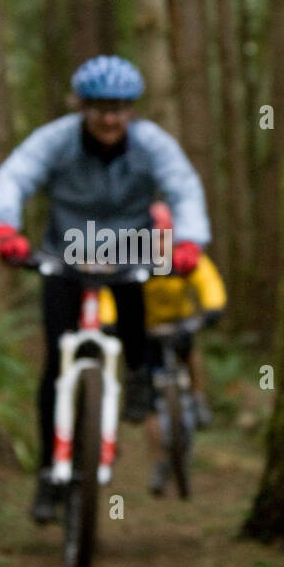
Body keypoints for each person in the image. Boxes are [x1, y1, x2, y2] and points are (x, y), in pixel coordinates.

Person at [0, 56, 211, 524]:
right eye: (101, 108)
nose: (111, 118)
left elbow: (184, 188)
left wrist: (190, 241)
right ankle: (49, 472)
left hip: (130, 252)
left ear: (132, 110)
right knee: (55, 363)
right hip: (65, 255)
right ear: (82, 107)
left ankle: (140, 380)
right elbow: (15, 175)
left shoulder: (151, 144)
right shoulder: (57, 140)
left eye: (121, 108)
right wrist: (4, 228)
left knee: (136, 324)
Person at [97, 201, 227, 493]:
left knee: (189, 349)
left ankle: (198, 396)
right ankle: (158, 463)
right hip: (143, 331)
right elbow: (109, 292)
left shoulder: (185, 256)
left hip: (179, 323)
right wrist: (109, 321)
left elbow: (209, 282)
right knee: (151, 398)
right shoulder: (128, 260)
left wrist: (212, 309)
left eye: (163, 238)